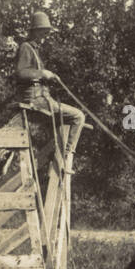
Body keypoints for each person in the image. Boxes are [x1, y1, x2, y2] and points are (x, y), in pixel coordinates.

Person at [16, 9, 85, 171]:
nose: (45, 36)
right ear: (36, 31)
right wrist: (43, 73)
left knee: (62, 125)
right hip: (36, 100)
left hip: (43, 98)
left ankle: (54, 161)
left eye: (46, 32)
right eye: (43, 32)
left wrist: (48, 76)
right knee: (78, 116)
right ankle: (67, 157)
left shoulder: (34, 49)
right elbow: (21, 73)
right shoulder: (26, 47)